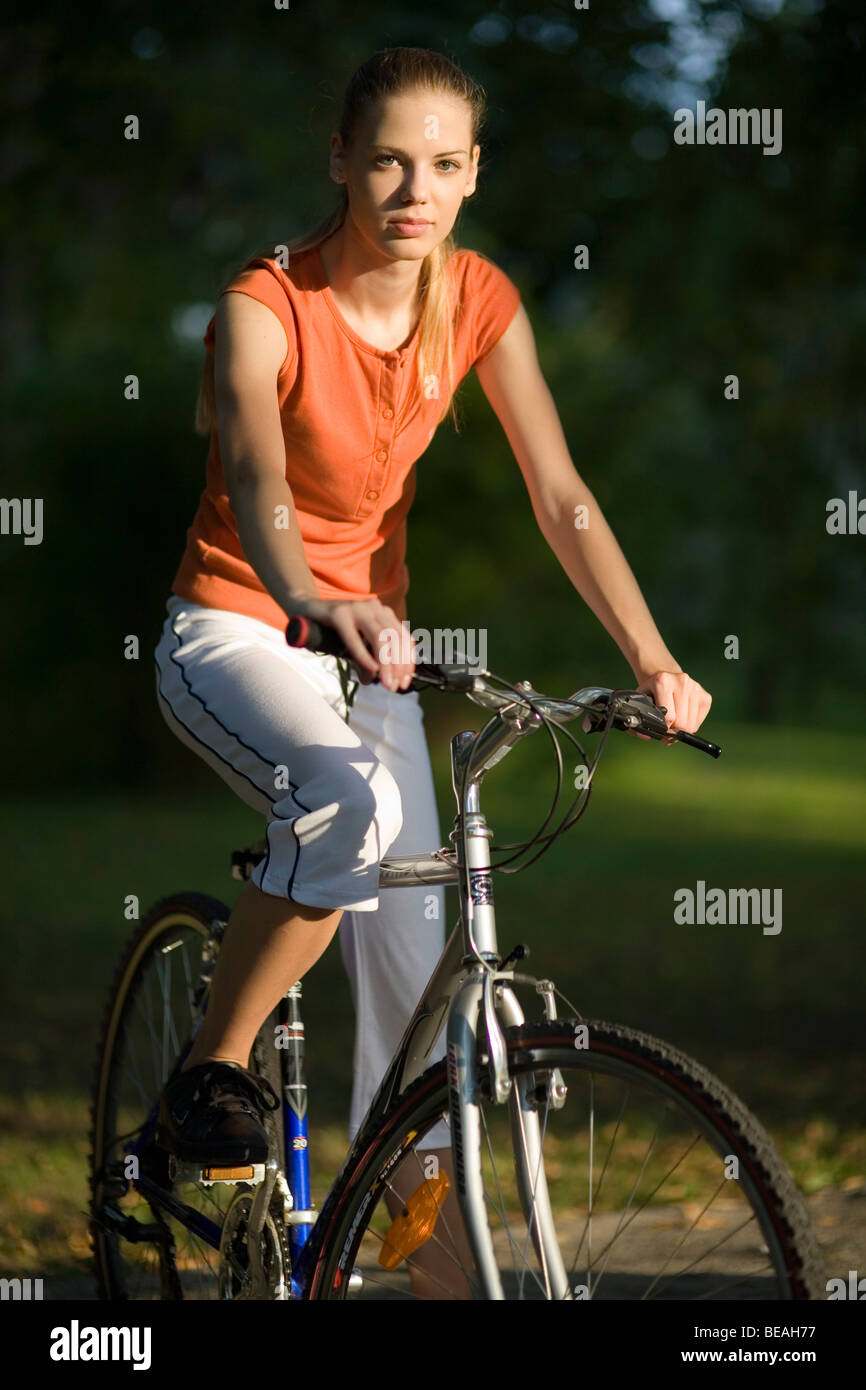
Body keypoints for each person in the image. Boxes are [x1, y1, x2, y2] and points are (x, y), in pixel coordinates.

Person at [153, 45, 711, 1293]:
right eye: (389, 157)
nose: (414, 186)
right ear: (341, 160)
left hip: (373, 657)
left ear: (471, 178)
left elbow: (558, 496)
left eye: (443, 163)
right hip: (237, 626)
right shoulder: (266, 299)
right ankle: (214, 1072)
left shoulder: (477, 299)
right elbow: (253, 470)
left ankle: (441, 1268)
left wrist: (652, 659)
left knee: (421, 993)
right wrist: (307, 593)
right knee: (347, 812)